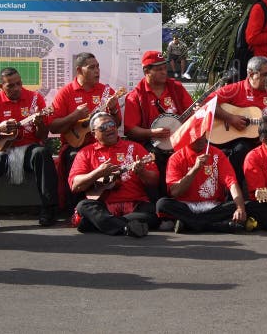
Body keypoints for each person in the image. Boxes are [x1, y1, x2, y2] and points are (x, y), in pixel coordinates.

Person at [0, 67, 58, 231]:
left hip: (29, 148)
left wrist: (39, 123)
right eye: (11, 85)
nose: (16, 88)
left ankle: (49, 208)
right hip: (2, 150)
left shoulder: (35, 99)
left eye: (19, 83)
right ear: (1, 86)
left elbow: (43, 136)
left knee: (42, 153)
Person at [204, 56, 267, 193]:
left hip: (266, 144)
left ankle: (265, 194)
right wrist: (230, 118)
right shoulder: (236, 89)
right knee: (241, 149)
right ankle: (233, 195)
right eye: (265, 74)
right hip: (234, 139)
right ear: (251, 74)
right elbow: (207, 103)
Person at [48, 52, 122, 215]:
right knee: (73, 157)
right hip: (77, 145)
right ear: (79, 70)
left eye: (98, 67)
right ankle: (75, 210)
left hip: (104, 145)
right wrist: (74, 116)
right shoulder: (66, 92)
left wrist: (114, 109)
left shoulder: (106, 91)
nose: (97, 71)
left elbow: (117, 123)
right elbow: (53, 127)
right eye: (92, 67)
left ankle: (114, 206)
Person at [69, 112, 159, 237]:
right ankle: (126, 227)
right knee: (83, 206)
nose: (109, 129)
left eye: (111, 124)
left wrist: (142, 172)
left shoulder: (135, 147)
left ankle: (103, 224)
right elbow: (75, 185)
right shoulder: (85, 153)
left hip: (135, 205)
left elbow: (154, 181)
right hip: (103, 207)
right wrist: (97, 173)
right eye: (103, 127)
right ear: (94, 134)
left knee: (152, 213)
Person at [124, 50, 194, 200]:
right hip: (151, 143)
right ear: (146, 71)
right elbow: (130, 130)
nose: (164, 72)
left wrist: (196, 112)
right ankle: (162, 201)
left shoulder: (176, 88)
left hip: (179, 140)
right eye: (159, 69)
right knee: (156, 157)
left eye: (164, 68)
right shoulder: (135, 96)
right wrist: (152, 133)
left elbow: (190, 112)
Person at [156, 135, 247, 233]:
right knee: (162, 204)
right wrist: (195, 169)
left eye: (202, 135)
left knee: (244, 205)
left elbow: (232, 183)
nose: (200, 139)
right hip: (186, 206)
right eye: (196, 137)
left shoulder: (217, 154)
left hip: (213, 206)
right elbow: (174, 192)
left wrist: (240, 208)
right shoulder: (176, 157)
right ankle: (215, 226)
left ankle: (190, 224)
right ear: (188, 137)